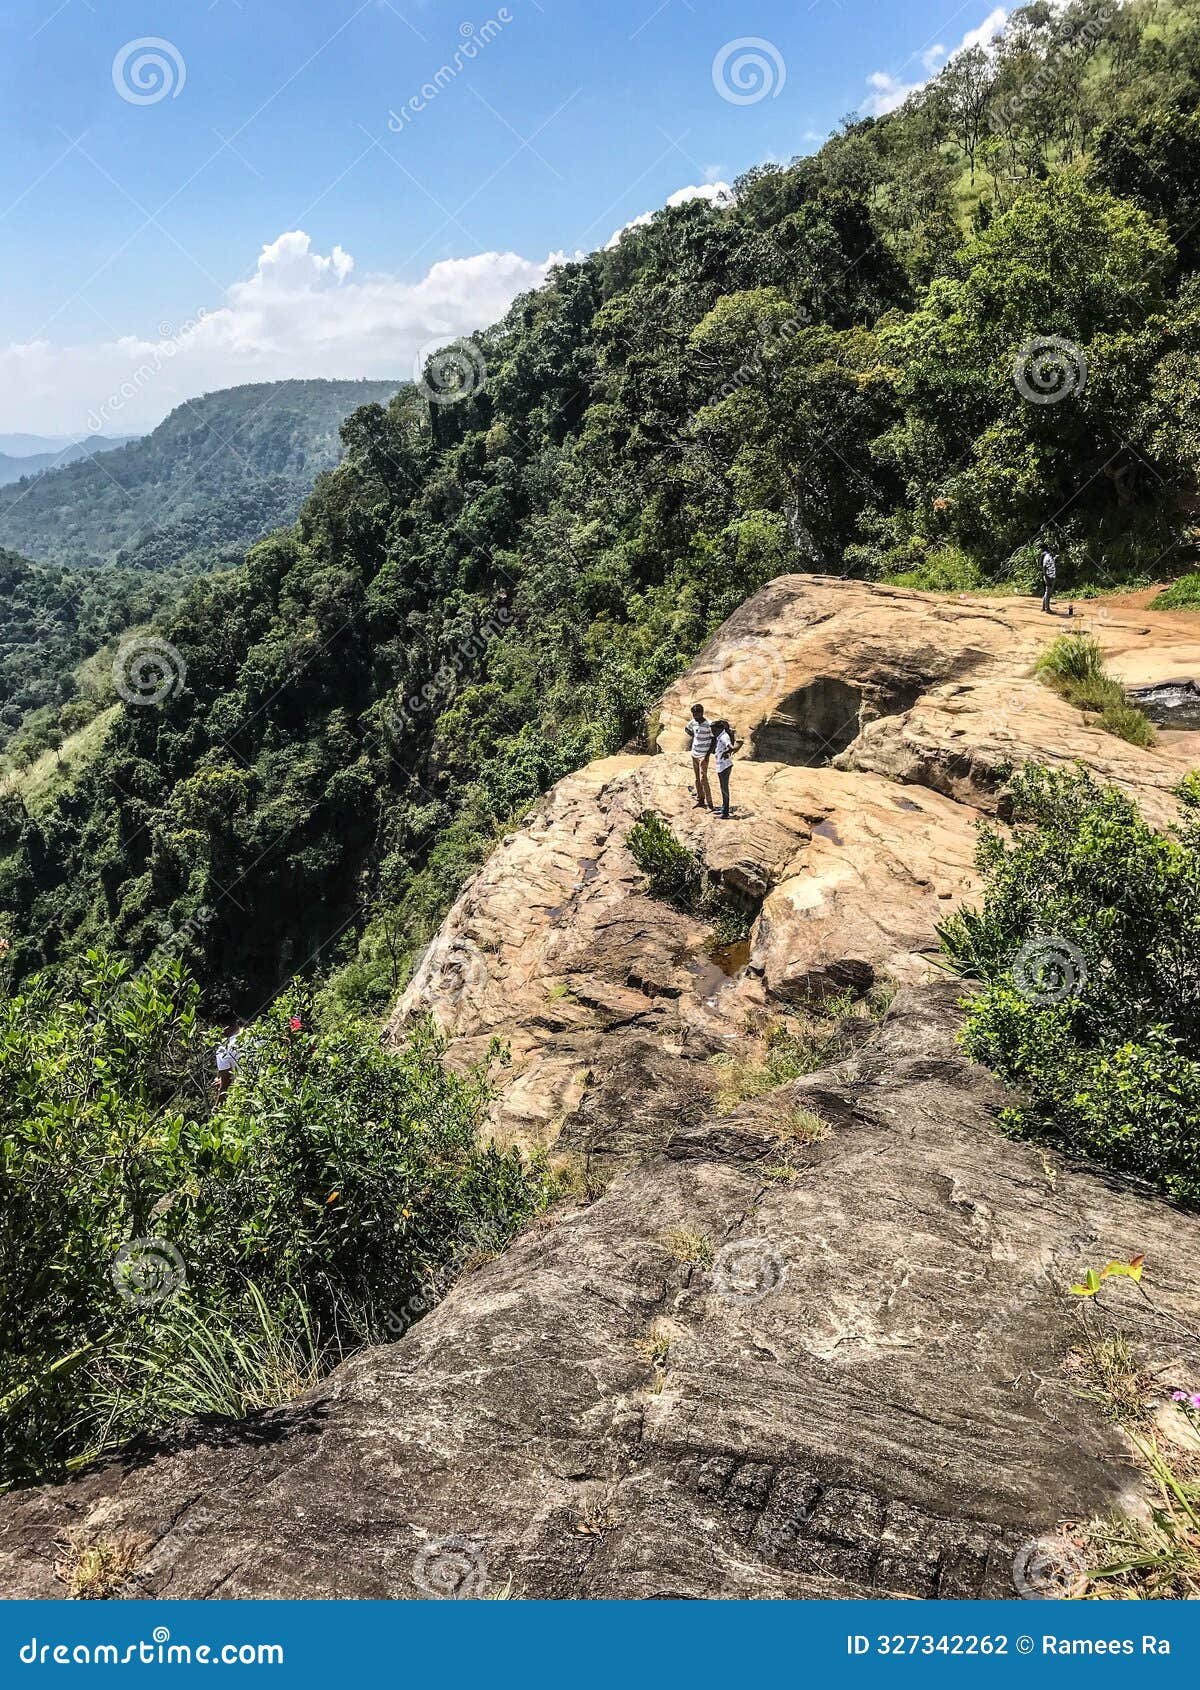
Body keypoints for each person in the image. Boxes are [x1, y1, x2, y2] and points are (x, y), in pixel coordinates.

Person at [684, 702, 714, 810]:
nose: (695, 717)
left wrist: (707, 755)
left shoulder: (709, 724)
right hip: (694, 753)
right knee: (697, 779)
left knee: (703, 779)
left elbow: (713, 739)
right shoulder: (693, 722)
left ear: (702, 713)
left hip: (703, 755)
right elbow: (687, 728)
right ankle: (701, 800)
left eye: (696, 714)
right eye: (693, 714)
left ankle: (710, 803)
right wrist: (694, 735)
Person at [712, 718, 737, 819]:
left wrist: (727, 753)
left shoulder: (724, 737)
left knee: (724, 789)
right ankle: (724, 808)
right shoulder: (721, 736)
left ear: (718, 729)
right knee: (723, 788)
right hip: (722, 765)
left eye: (713, 730)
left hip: (724, 766)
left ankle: (725, 812)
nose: (712, 732)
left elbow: (730, 747)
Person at [1040, 547, 1058, 614]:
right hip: (1048, 577)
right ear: (1051, 552)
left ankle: (1044, 607)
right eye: (1054, 552)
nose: (1055, 553)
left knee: (1047, 592)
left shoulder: (1052, 557)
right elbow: (1044, 568)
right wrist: (1047, 578)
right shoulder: (1047, 557)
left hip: (1052, 576)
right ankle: (1047, 609)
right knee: (1048, 593)